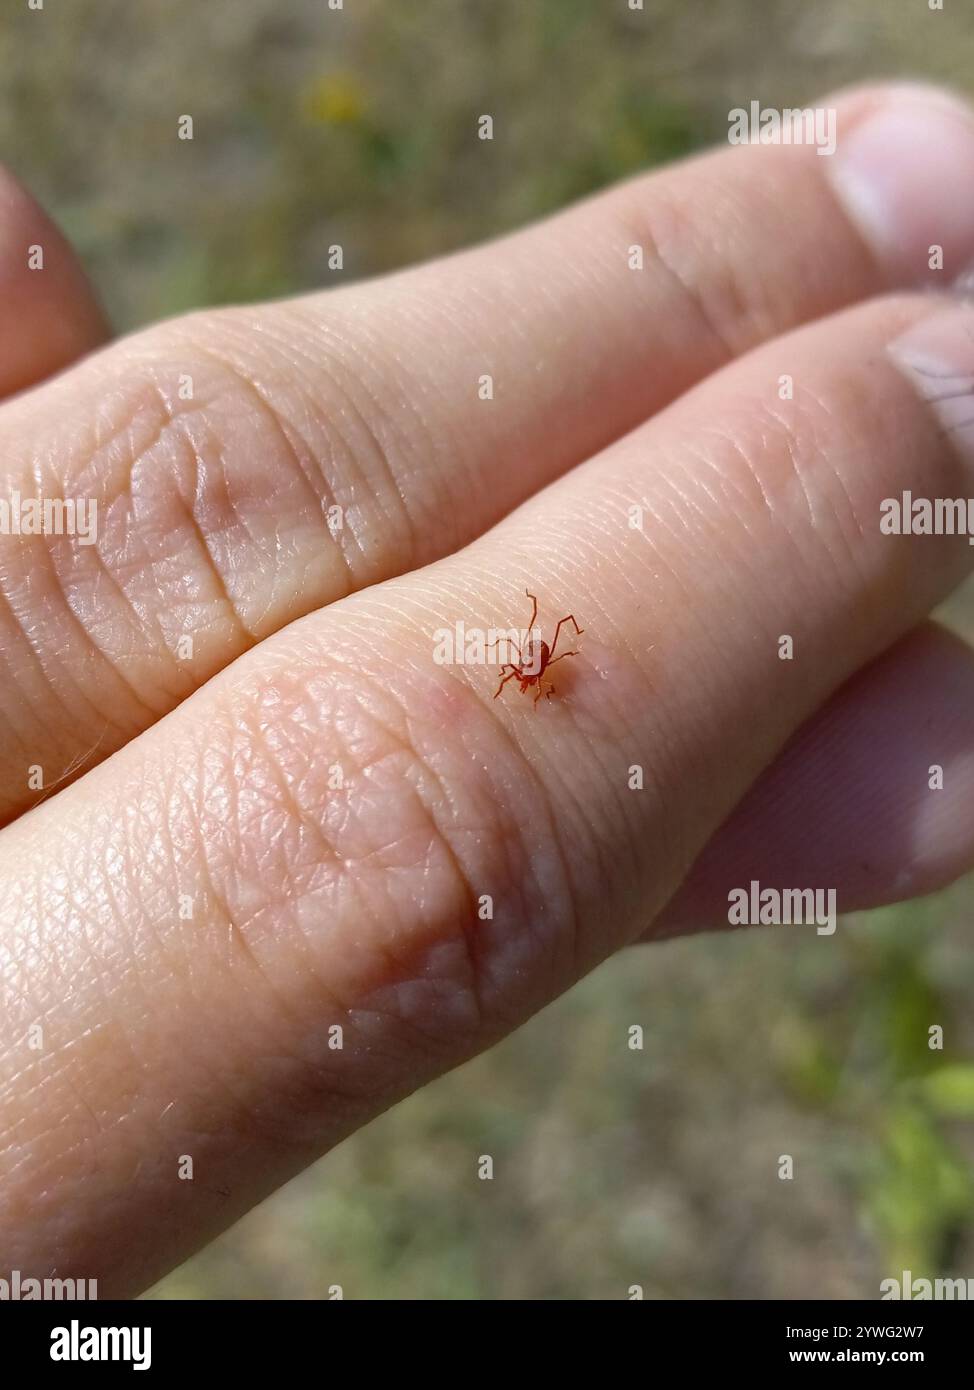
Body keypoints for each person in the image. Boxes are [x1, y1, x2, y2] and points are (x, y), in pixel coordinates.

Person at [2, 82, 974, 1297]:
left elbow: (541, 657)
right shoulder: (532, 665)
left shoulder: (537, 664)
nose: (530, 668)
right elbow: (534, 662)